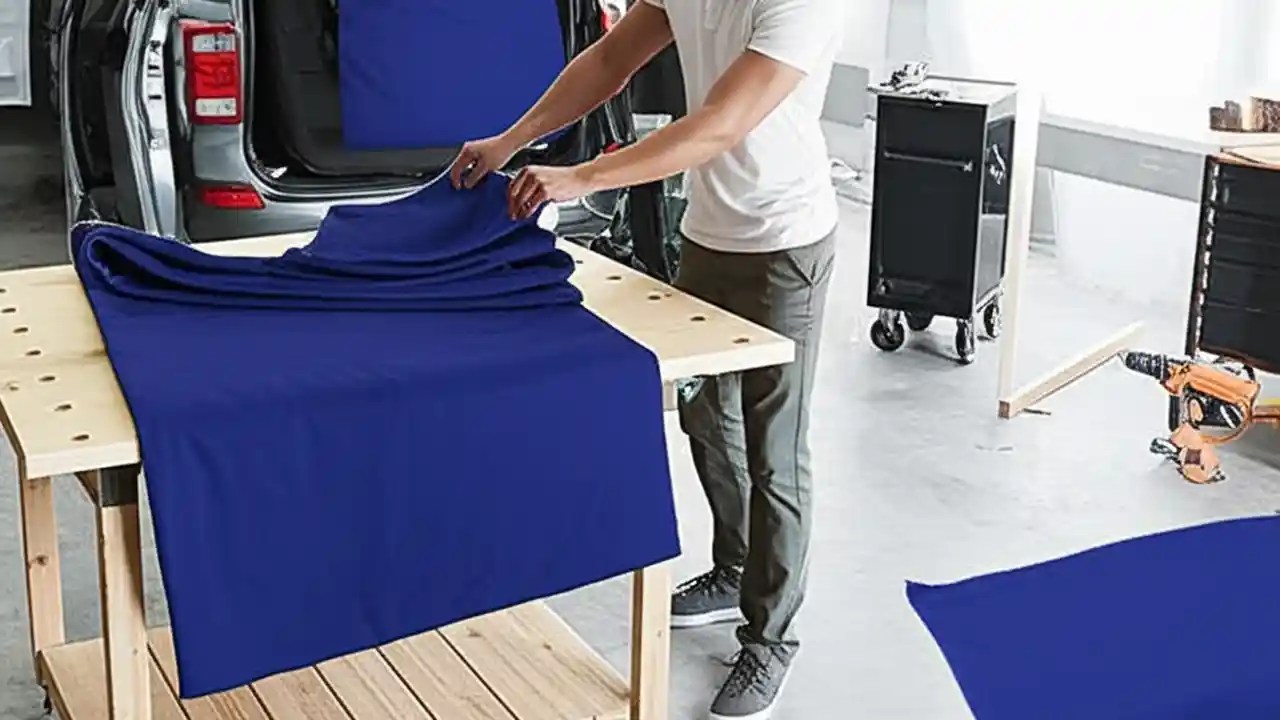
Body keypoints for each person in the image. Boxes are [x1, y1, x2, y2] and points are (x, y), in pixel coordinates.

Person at [451, 1, 844, 717]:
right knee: (706, 418)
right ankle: (733, 568)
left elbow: (723, 123)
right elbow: (609, 60)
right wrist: (513, 140)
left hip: (785, 241)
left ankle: (771, 639)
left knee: (776, 450)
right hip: (709, 231)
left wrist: (584, 177)